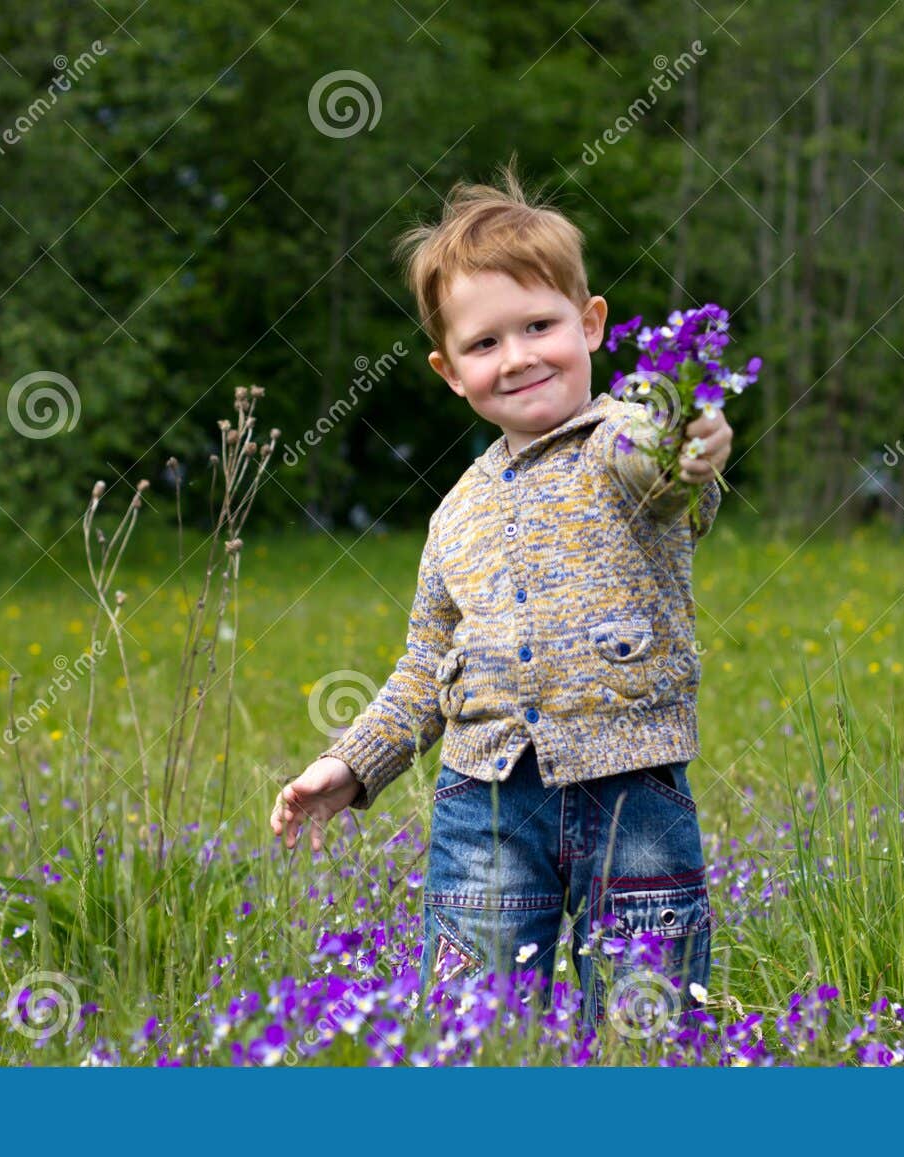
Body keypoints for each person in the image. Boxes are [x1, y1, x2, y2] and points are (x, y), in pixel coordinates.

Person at [269, 161, 733, 1032]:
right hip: (482, 805)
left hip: (631, 786)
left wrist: (693, 434)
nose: (518, 357)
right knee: (473, 1028)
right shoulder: (457, 513)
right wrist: (351, 763)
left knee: (649, 1022)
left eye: (540, 325)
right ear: (450, 371)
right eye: (485, 343)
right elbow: (422, 666)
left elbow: (670, 475)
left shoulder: (623, 440)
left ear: (590, 323)